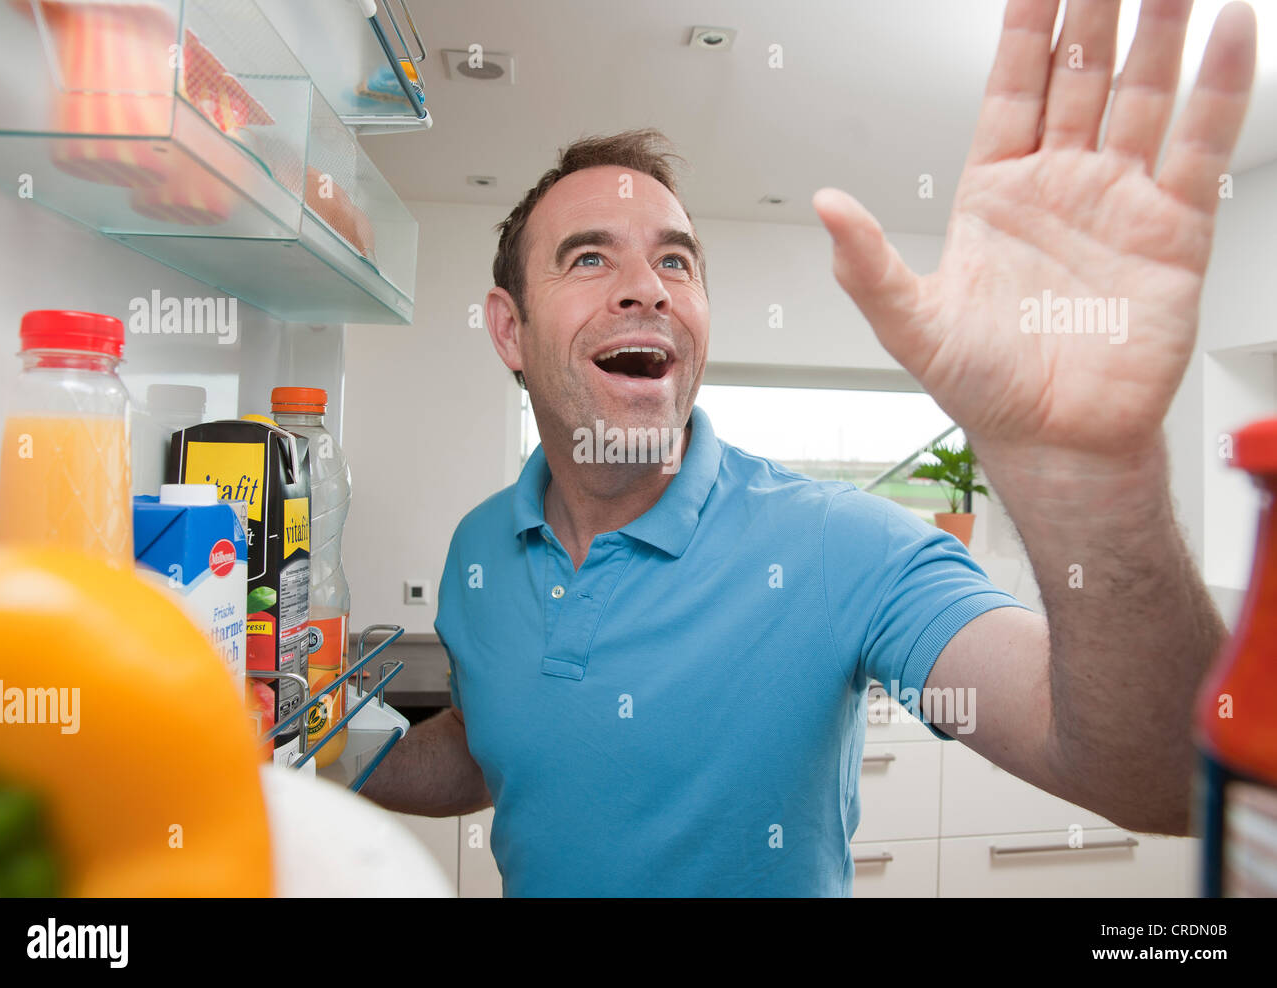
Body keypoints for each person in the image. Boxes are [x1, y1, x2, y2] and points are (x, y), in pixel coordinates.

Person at [363, 0, 1258, 896]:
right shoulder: (480, 549)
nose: (648, 288)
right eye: (590, 258)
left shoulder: (840, 547)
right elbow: (490, 751)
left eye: (677, 261)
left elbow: (1164, 778)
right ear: (509, 329)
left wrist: (1095, 485)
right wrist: (330, 753)